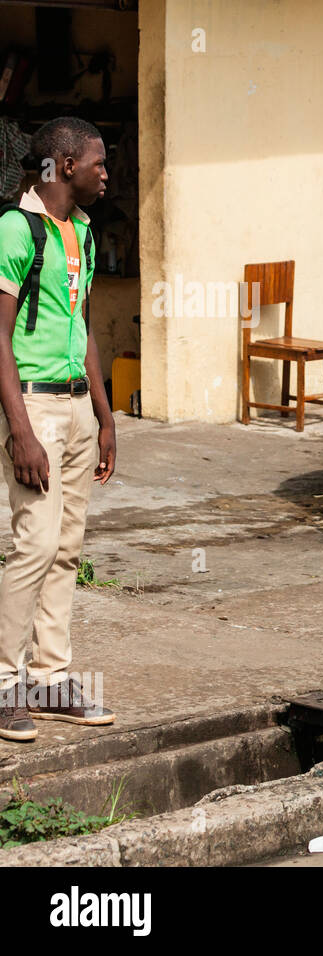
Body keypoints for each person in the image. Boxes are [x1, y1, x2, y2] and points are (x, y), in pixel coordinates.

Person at [0, 117, 116, 740]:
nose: (106, 172)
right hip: (34, 408)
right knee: (35, 545)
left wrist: (104, 415)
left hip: (75, 408)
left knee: (67, 549)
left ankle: (49, 678)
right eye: (99, 161)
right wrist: (21, 431)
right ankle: (2, 683)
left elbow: (84, 326)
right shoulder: (16, 230)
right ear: (65, 164)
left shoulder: (83, 233)